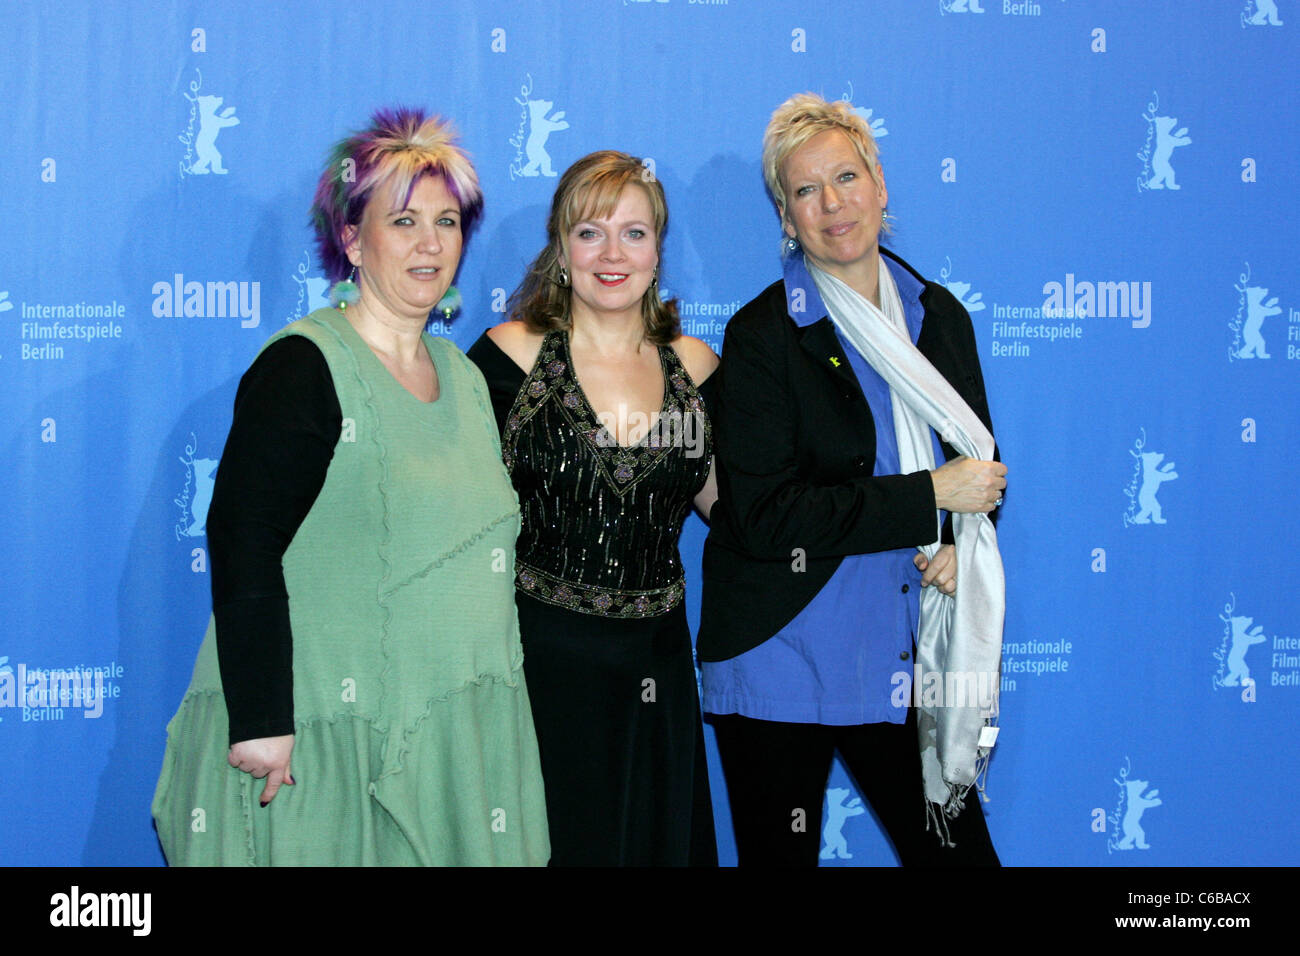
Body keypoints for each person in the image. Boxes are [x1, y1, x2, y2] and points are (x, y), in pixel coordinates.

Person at [152, 108, 550, 866]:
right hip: (322, 745)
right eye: (402, 221)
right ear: (351, 240)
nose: (431, 243)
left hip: (452, 742)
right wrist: (262, 719)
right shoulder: (304, 367)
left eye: (446, 221)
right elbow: (243, 536)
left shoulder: (465, 375)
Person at [699, 93, 1007, 866]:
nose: (832, 203)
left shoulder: (938, 316)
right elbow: (764, 515)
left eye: (846, 176)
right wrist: (929, 500)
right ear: (785, 215)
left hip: (901, 653)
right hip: (782, 654)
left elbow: (978, 468)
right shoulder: (763, 334)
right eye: (805, 190)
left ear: (881, 185)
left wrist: (962, 540)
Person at [467, 151, 719, 866]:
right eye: (590, 233)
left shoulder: (696, 369)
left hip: (656, 669)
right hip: (537, 666)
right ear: (561, 247)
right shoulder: (508, 358)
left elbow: (745, 513)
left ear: (659, 250)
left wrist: (908, 513)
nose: (613, 254)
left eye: (634, 234)